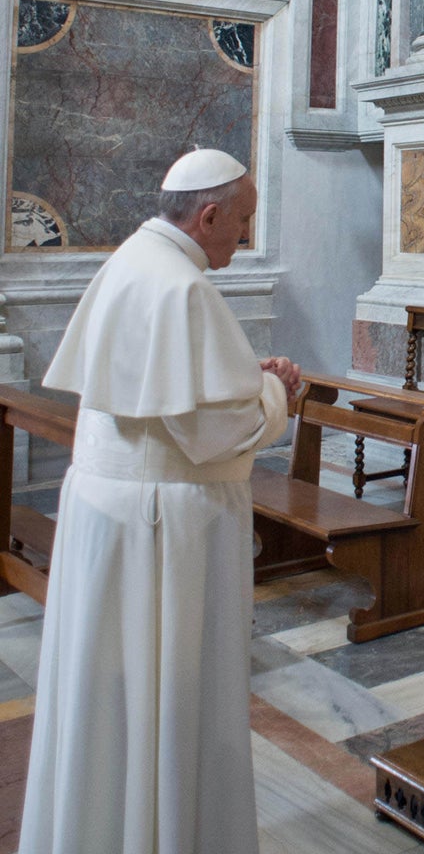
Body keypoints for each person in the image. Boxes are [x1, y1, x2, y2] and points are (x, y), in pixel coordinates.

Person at [19, 149, 301, 854]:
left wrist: (240, 376)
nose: (245, 234)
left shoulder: (133, 259)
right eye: (241, 221)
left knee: (107, 703)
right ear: (208, 216)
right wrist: (278, 394)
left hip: (105, 513)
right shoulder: (183, 288)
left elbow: (176, 391)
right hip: (163, 526)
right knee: (171, 700)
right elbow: (214, 430)